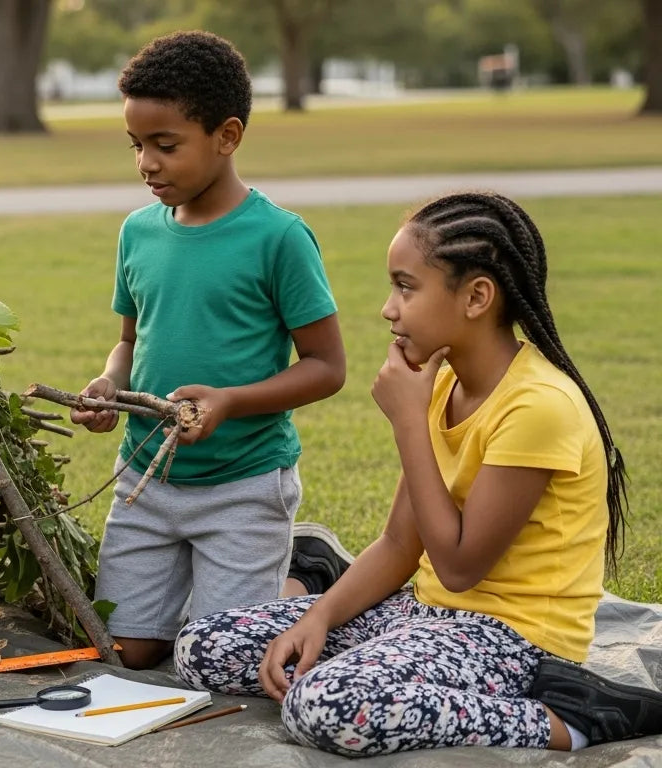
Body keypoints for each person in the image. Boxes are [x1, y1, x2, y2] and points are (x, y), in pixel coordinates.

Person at [174, 191, 662, 757]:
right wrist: (319, 619)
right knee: (202, 646)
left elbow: (457, 566)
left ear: (477, 297)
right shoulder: (442, 381)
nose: (388, 307)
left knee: (324, 706)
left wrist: (409, 422)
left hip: (514, 639)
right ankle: (327, 591)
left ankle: (576, 719)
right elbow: (401, 543)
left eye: (405, 287)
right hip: (423, 612)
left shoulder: (538, 407)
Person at [69, 30, 346, 670]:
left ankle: (305, 573)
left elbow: (327, 369)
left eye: (166, 145)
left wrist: (229, 401)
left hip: (242, 485)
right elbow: (128, 344)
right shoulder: (137, 232)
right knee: (126, 651)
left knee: (221, 660)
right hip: (145, 480)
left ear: (227, 136)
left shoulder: (279, 238)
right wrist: (110, 384)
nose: (147, 163)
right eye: (137, 145)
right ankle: (254, 580)